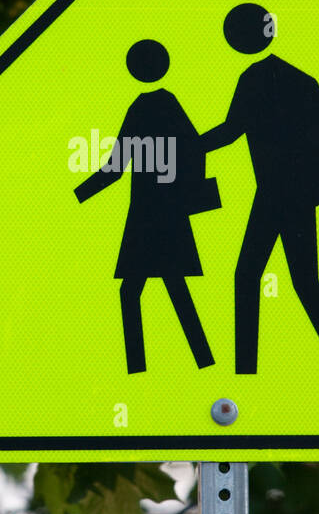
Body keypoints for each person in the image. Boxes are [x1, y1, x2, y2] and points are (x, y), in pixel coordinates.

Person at [203, 3, 319, 374]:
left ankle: (247, 371)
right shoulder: (292, 76)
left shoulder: (260, 77)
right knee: (300, 281)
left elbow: (230, 130)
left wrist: (189, 145)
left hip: (279, 192)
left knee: (254, 277)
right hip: (285, 192)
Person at [75, 39, 219, 374]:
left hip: (150, 216)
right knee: (165, 288)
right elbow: (195, 149)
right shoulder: (163, 105)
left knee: (138, 292)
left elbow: (115, 166)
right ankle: (200, 361)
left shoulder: (144, 108)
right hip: (161, 213)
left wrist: (79, 193)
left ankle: (146, 368)